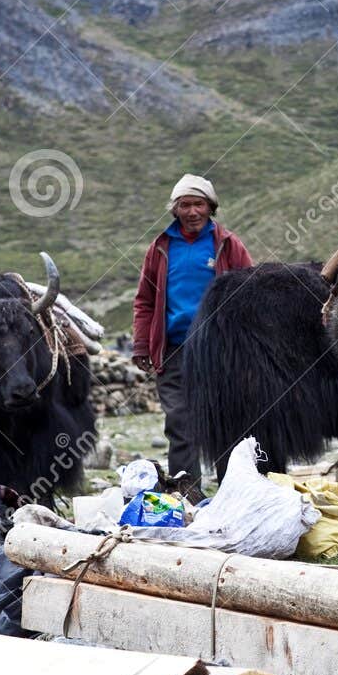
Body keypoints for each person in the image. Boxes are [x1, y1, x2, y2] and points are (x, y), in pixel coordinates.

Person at [132, 174, 254, 484]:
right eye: (184, 205)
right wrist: (142, 345)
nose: (192, 212)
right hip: (174, 351)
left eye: (198, 204)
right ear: (175, 209)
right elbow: (145, 301)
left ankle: (233, 492)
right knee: (180, 424)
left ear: (210, 207)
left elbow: (253, 292)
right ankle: (187, 496)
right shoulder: (160, 248)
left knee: (227, 421)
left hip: (222, 351)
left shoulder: (227, 244)